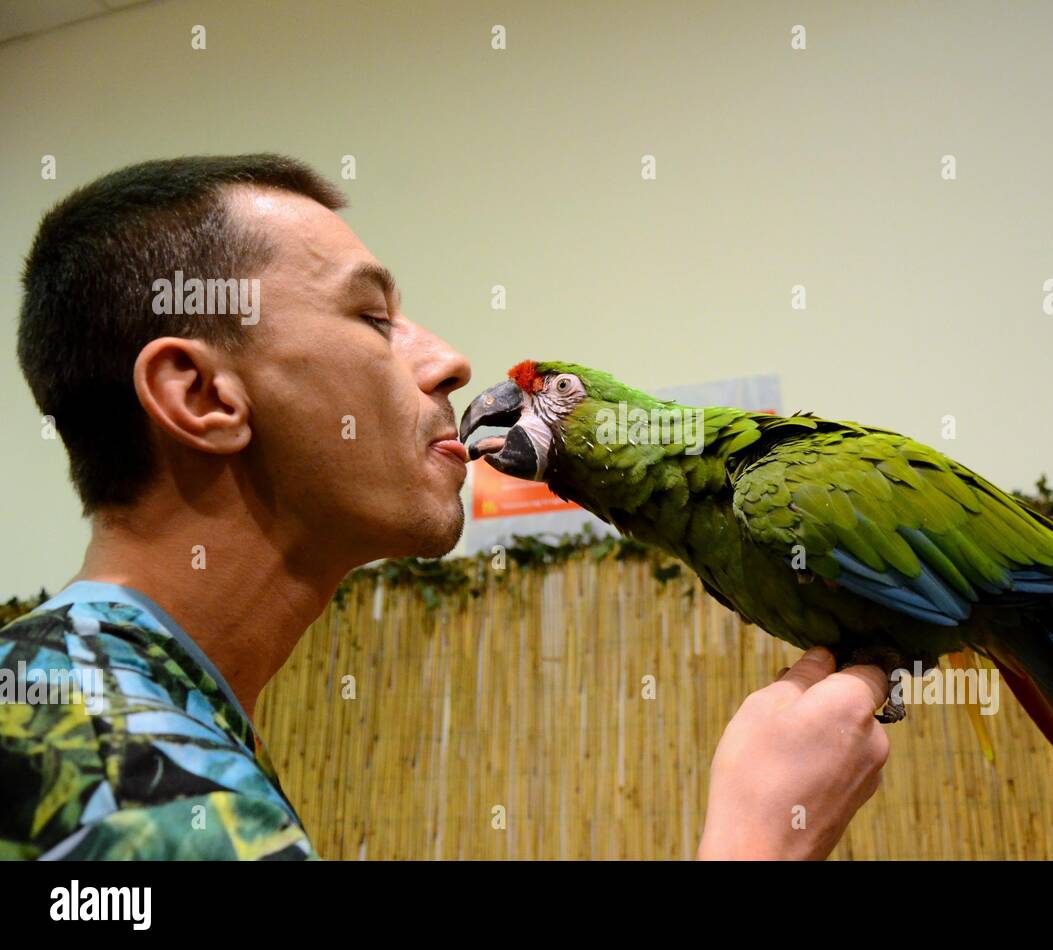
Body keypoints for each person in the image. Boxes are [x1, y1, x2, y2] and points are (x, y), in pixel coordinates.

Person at [2, 155, 889, 861]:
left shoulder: (110, 704)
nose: (453, 362)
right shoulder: (119, 757)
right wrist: (760, 839)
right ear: (200, 395)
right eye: (373, 318)